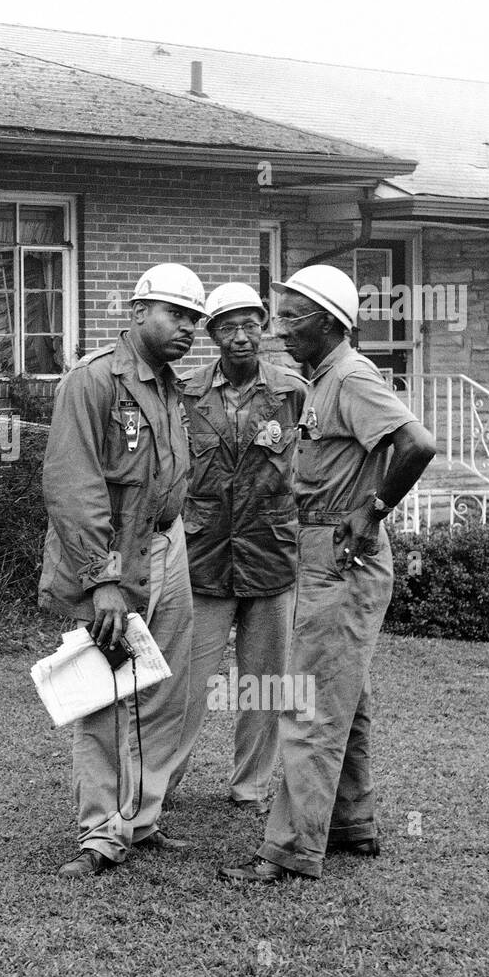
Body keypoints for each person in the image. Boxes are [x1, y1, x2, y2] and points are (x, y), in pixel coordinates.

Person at [220, 263, 436, 884]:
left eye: (291, 317)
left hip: (343, 552)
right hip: (317, 544)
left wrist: (372, 510)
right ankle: (349, 824)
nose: (277, 328)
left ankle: (288, 851)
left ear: (329, 323)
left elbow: (417, 444)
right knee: (347, 694)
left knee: (308, 702)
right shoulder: (321, 380)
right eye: (278, 315)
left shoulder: (352, 376)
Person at [39, 263, 204, 878]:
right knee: (105, 692)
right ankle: (101, 832)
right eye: (175, 314)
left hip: (168, 544)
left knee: (165, 686)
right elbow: (71, 485)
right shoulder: (93, 381)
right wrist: (103, 579)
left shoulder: (169, 386)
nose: (188, 328)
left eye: (195, 318)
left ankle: (141, 816)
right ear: (138, 313)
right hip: (112, 555)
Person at [166, 282, 305, 815]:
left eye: (250, 324)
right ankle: (163, 779)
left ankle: (250, 784)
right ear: (212, 333)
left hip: (271, 550)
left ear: (264, 326)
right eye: (228, 326)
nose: (241, 336)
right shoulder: (186, 392)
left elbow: (310, 469)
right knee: (186, 681)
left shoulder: (294, 392)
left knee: (265, 682)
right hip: (203, 555)